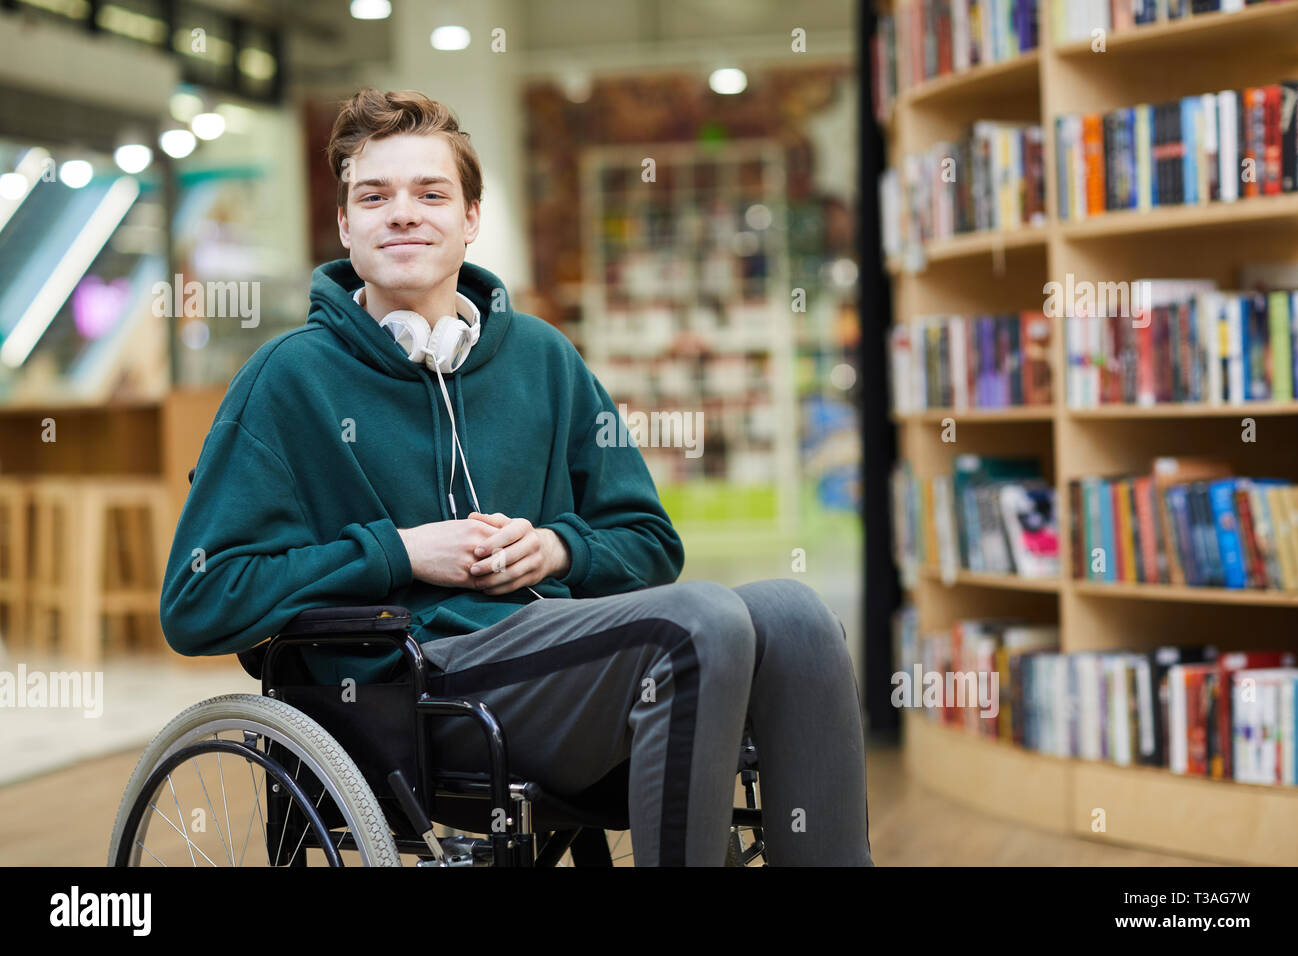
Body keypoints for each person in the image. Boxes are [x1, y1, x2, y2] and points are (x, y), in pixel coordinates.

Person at [159, 87, 873, 867]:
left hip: (560, 664)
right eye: (374, 196)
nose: (402, 213)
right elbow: (199, 600)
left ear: (470, 219)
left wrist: (558, 553)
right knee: (697, 622)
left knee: (797, 617)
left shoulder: (543, 358)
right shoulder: (287, 379)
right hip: (417, 693)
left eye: (431, 193)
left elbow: (648, 542)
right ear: (344, 225)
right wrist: (400, 554)